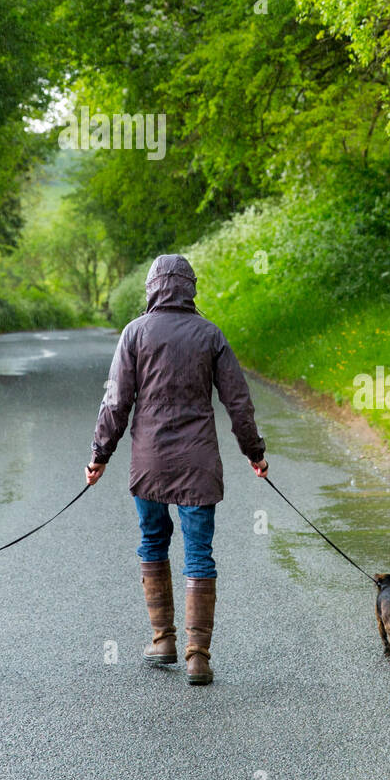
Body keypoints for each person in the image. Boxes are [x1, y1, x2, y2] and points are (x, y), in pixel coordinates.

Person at [86, 253, 268, 685]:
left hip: (148, 463)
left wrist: (99, 456)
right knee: (199, 553)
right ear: (190, 288)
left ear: (151, 287)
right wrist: (254, 452)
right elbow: (238, 403)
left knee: (152, 541)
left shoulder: (135, 333)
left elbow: (116, 401)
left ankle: (162, 638)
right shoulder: (210, 335)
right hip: (198, 463)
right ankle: (197, 656)